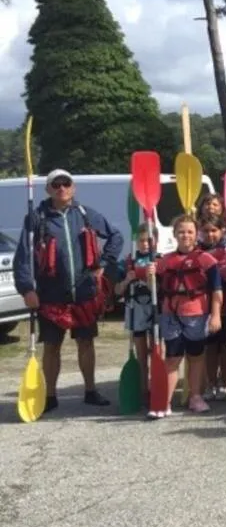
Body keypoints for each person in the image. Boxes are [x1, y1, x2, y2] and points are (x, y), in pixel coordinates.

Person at [14, 169, 124, 414]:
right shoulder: (36, 218)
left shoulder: (86, 215)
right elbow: (22, 257)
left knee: (86, 342)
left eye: (66, 184)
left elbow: (115, 237)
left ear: (73, 188)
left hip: (84, 292)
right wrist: (26, 289)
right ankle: (50, 396)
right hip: (51, 294)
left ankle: (90, 391)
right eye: (56, 184)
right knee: (52, 345)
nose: (61, 188)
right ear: (48, 189)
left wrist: (103, 264)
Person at [149, 214, 223, 417]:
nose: (186, 235)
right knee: (172, 358)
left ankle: (195, 397)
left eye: (190, 231)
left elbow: (217, 291)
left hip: (197, 315)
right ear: (174, 235)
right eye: (181, 232)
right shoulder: (165, 261)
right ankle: (164, 401)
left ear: (196, 234)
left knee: (196, 357)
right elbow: (155, 288)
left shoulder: (207, 260)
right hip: (171, 315)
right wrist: (150, 276)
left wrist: (216, 316)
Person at [114, 229, 157, 407]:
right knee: (141, 354)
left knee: (156, 352)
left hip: (154, 310)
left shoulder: (158, 260)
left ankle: (156, 388)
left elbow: (163, 288)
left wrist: (150, 280)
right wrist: (127, 280)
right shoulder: (128, 262)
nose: (145, 244)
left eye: (148, 240)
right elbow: (117, 291)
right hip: (136, 311)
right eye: (141, 241)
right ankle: (142, 389)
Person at [199, 215, 226, 401]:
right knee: (210, 346)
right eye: (206, 231)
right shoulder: (196, 251)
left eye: (214, 230)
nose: (210, 234)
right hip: (204, 306)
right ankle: (211, 383)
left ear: (222, 231)